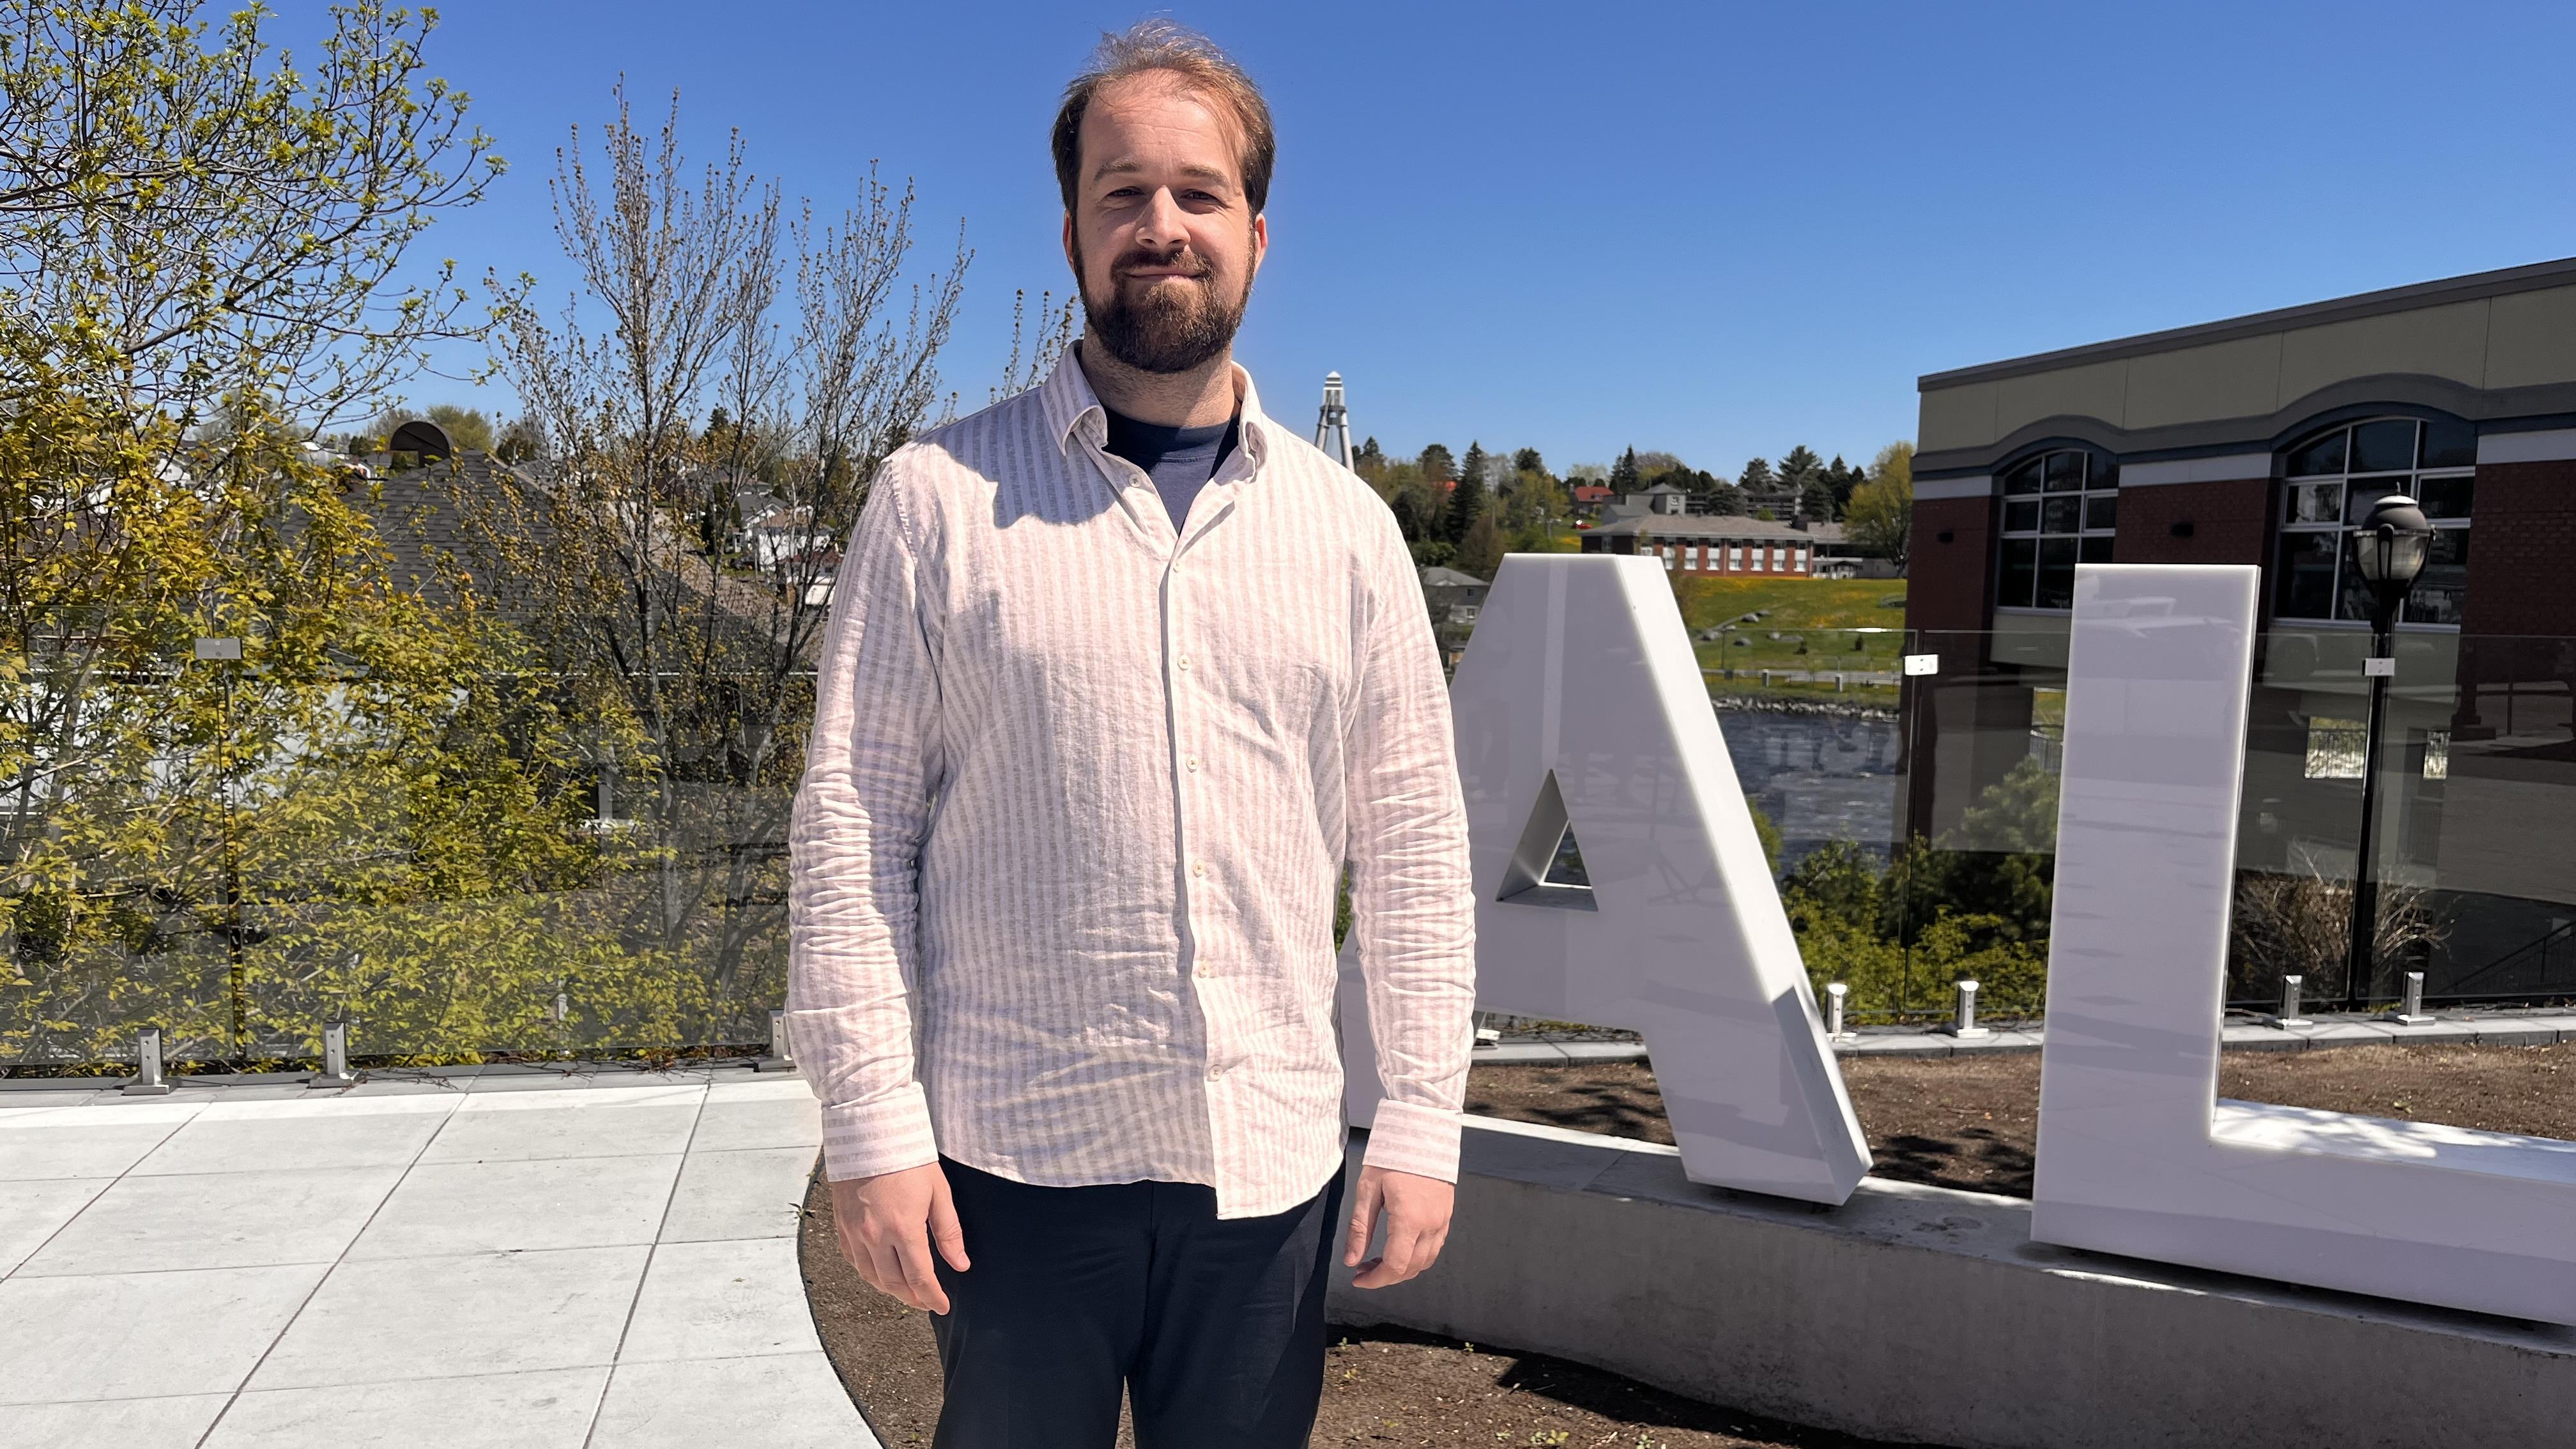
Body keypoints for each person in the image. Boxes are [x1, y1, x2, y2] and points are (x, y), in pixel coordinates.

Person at [785, 20, 1476, 1449]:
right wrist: (870, 1128)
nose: (1161, 227)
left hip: (1268, 1176)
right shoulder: (933, 501)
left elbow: (1412, 847)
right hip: (1010, 1173)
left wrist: (1420, 1117)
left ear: (1259, 233)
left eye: (1198, 192)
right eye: (1123, 193)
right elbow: (852, 829)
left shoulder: (1349, 536)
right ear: (1072, 231)